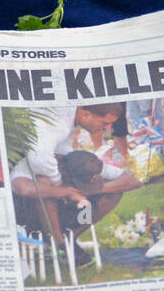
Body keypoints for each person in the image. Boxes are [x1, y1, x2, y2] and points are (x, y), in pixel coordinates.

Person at [10, 103, 142, 262]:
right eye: (104, 123)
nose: (107, 128)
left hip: (74, 210)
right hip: (32, 213)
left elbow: (134, 180)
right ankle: (57, 243)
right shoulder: (56, 133)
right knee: (45, 182)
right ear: (86, 115)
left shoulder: (85, 161)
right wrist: (63, 190)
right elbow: (23, 186)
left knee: (104, 196)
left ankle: (69, 237)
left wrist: (93, 190)